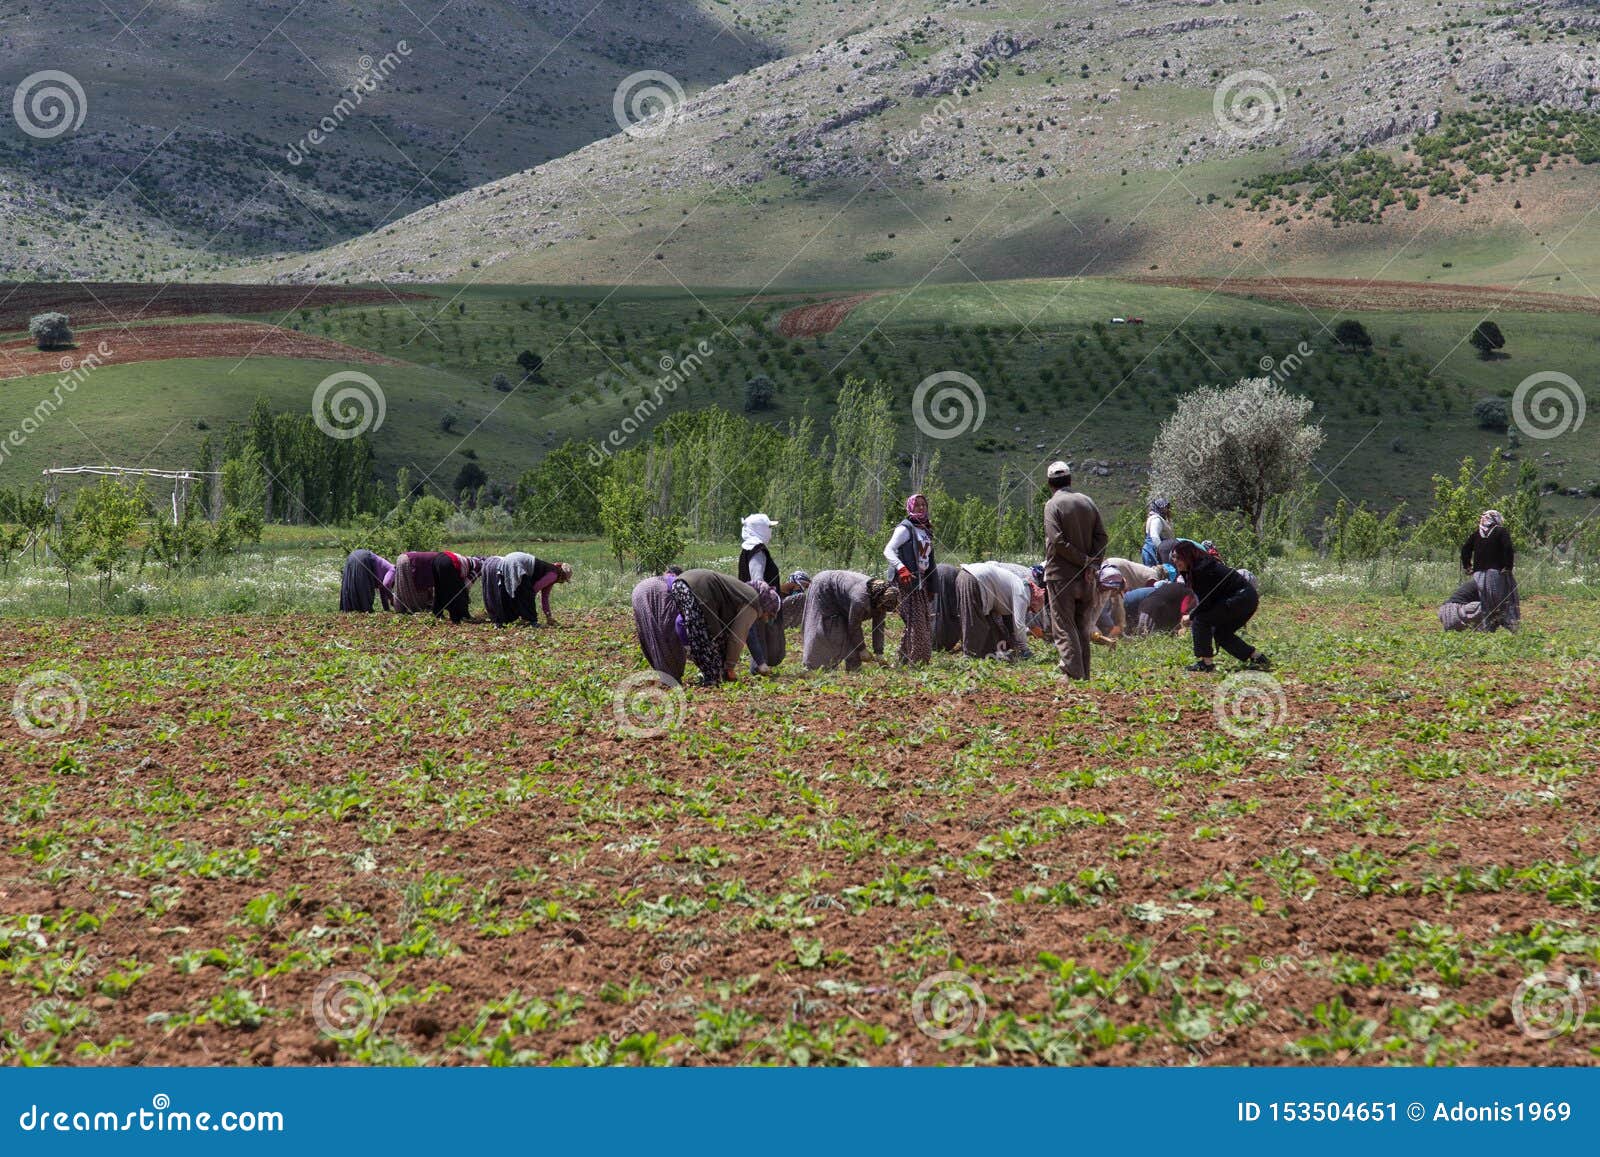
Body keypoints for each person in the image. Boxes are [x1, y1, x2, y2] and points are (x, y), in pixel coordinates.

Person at [1042, 461, 1108, 680]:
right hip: (1087, 578)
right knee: (1082, 625)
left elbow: (1057, 541)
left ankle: (1072, 673)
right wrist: (1093, 564)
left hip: (1061, 575)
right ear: (1070, 480)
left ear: (1050, 483)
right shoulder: (1087, 501)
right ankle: (1085, 675)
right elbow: (1102, 537)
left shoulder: (1053, 505)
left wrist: (1083, 561)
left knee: (1063, 625)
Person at [1171, 539, 1270, 672]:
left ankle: (1206, 664)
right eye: (1174, 557)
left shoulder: (1201, 570)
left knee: (1200, 620)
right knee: (1221, 633)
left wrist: (1191, 616)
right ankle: (1257, 658)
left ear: (1188, 556)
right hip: (1246, 598)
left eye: (1179, 557)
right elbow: (1208, 600)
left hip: (1241, 598)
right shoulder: (1198, 567)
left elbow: (1206, 601)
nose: (1175, 560)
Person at [670, 569, 781, 686]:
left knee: (707, 638)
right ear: (767, 606)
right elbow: (737, 637)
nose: (767, 619)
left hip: (681, 585)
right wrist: (730, 668)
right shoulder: (754, 603)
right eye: (770, 615)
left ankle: (710, 676)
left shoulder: (747, 594)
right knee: (704, 638)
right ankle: (711, 679)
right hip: (694, 589)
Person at [738, 514, 807, 675]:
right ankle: (758, 670)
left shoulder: (750, 550)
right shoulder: (757, 552)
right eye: (768, 528)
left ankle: (760, 667)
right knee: (763, 636)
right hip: (761, 603)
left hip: (755, 602)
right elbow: (758, 581)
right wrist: (764, 605)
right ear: (760, 529)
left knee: (763, 637)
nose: (770, 531)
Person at [801, 570, 901, 671]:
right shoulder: (860, 600)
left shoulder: (882, 599)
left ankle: (853, 670)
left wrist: (879, 653)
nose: (882, 611)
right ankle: (813, 667)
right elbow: (854, 626)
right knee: (829, 628)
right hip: (824, 587)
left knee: (849, 638)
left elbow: (878, 627)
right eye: (882, 608)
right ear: (877, 599)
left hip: (843, 595)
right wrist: (862, 649)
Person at [884, 493, 938, 665]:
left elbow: (929, 560)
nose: (921, 508)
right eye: (917, 505)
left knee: (922, 619)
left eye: (924, 504)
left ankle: (904, 659)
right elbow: (888, 550)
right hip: (906, 581)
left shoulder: (925, 529)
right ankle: (917, 660)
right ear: (910, 507)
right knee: (916, 621)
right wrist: (901, 568)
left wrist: (931, 584)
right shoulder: (905, 529)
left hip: (920, 580)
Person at [956, 560, 1044, 660]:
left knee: (984, 624)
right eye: (1031, 609)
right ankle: (969, 659)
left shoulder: (1018, 587)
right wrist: (1025, 649)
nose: (1029, 612)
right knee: (974, 622)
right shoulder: (1023, 594)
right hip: (974, 578)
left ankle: (982, 654)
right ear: (1033, 601)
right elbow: (1019, 624)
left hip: (965, 575)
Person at [1459, 509, 1520, 631]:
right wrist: (1508, 567)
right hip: (1496, 573)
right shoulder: (1501, 531)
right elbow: (1508, 548)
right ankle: (1510, 624)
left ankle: (1486, 627)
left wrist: (1467, 566)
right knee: (1505, 599)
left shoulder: (1476, 534)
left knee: (1484, 600)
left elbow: (1465, 549)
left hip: (1478, 575)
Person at [482, 553, 571, 627]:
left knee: (511, 592)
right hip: (515, 563)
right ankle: (531, 621)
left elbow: (545, 597)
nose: (562, 582)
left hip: (510, 560)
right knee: (526, 593)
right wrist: (528, 607)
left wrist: (548, 616)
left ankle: (505, 619)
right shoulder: (553, 575)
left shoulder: (551, 572)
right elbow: (534, 589)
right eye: (564, 580)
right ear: (562, 575)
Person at [633, 566, 687, 681]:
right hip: (657, 590)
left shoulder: (659, 578)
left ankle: (664, 673)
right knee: (669, 631)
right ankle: (673, 674)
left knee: (649, 633)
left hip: (638, 591)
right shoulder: (676, 581)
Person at [926, 562, 964, 653]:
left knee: (934, 607)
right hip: (949, 574)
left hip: (938, 573)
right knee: (952, 607)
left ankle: (937, 641)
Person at [1090, 563, 1126, 647]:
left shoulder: (1106, 592)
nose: (1108, 590)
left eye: (1111, 589)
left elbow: (1096, 614)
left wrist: (1096, 633)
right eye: (1105, 587)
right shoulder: (1090, 587)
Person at [1142, 498, 1174, 566]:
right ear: (1159, 508)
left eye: (1167, 507)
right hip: (1153, 551)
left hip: (1154, 550)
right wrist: (1162, 553)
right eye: (1164, 507)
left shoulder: (1160, 519)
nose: (1167, 509)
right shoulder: (1156, 519)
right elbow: (1155, 536)